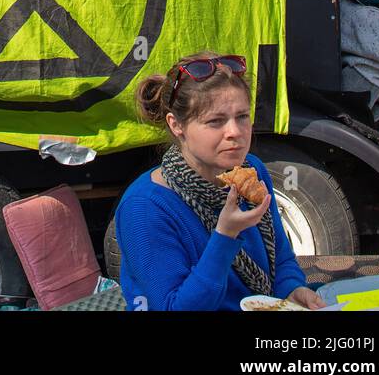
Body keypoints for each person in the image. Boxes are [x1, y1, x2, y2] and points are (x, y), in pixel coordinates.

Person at [115, 52, 326, 311]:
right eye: (215, 121)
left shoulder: (252, 172)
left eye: (242, 117)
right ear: (176, 125)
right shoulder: (144, 207)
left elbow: (280, 257)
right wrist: (225, 235)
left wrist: (293, 289)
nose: (235, 132)